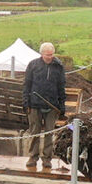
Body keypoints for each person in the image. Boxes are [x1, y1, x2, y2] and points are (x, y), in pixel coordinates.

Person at [22, 42, 66, 171]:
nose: (49, 57)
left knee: (49, 133)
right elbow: (27, 85)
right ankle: (32, 157)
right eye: (47, 55)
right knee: (34, 132)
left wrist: (62, 105)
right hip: (34, 104)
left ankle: (47, 159)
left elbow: (61, 86)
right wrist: (26, 102)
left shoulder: (58, 67)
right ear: (41, 54)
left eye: (51, 54)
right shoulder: (33, 65)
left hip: (52, 105)